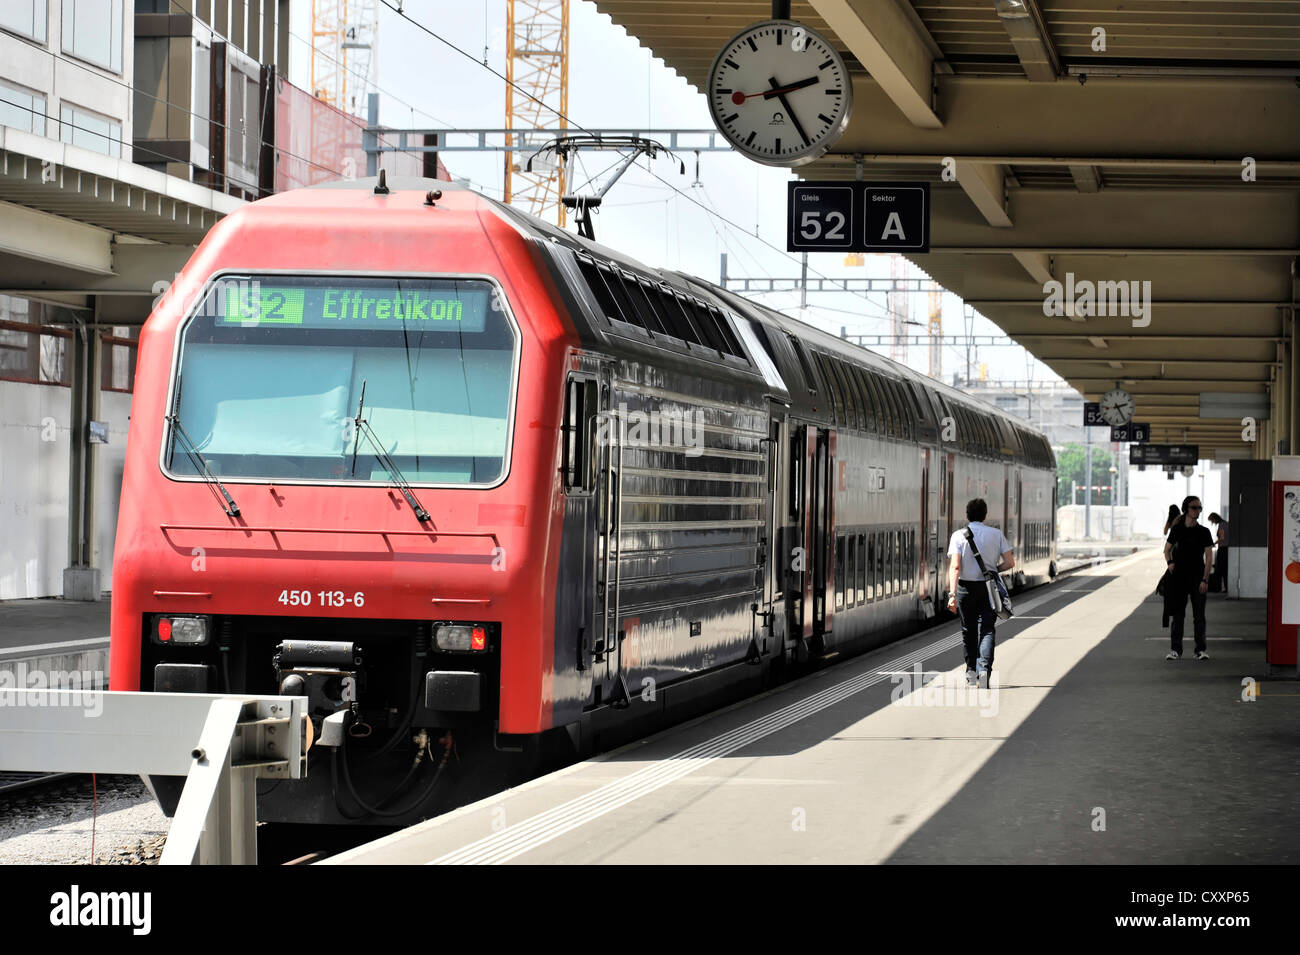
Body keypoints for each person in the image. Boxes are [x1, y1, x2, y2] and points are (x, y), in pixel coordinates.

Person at [946, 498, 1014, 689]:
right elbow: (1010, 563)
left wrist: (952, 595)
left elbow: (956, 566)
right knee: (987, 629)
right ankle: (984, 671)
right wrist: (992, 571)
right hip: (988, 588)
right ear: (985, 515)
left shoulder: (958, 536)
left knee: (968, 631)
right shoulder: (996, 534)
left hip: (965, 589)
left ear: (967, 515)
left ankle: (971, 673)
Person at [1163, 495, 1215, 660]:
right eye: (1194, 507)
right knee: (1178, 616)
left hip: (1197, 579)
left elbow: (1209, 558)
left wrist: (1205, 579)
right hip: (1179, 579)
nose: (1198, 511)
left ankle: (1200, 650)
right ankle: (1175, 650)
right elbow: (1166, 549)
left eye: (1200, 508)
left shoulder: (1204, 532)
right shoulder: (1177, 530)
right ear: (1186, 509)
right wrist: (1170, 562)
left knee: (1199, 616)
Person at [1207, 512, 1229, 593]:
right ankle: (1226, 588)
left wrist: (1213, 544)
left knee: (1219, 569)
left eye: (1211, 520)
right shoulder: (1226, 523)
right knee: (1225, 569)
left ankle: (1217, 587)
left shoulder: (1221, 525)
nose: (1212, 522)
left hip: (1223, 549)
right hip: (1227, 549)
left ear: (1214, 519)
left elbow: (1222, 538)